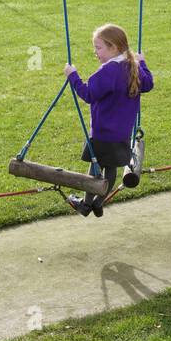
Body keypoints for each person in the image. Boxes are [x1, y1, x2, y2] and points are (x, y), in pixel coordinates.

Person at [63, 24, 154, 217]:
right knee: (110, 168)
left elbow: (88, 94)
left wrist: (73, 76)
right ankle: (99, 202)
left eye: (98, 48)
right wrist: (142, 62)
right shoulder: (133, 66)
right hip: (122, 132)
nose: (95, 52)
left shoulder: (108, 72)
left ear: (113, 47)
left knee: (95, 169)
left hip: (103, 131)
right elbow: (148, 84)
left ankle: (86, 205)